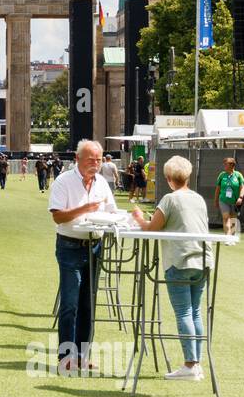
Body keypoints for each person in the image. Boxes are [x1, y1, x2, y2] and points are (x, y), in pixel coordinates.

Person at [132, 155, 211, 380]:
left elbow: (151, 229)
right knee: (195, 312)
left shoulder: (169, 199)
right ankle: (196, 363)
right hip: (202, 259)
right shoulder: (198, 199)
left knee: (185, 312)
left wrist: (138, 217)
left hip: (179, 260)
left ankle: (190, 364)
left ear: (168, 178)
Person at [49, 140, 118, 374]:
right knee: (70, 303)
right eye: (91, 159)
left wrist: (121, 219)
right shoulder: (63, 181)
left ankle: (83, 355)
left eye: (99, 159)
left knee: (88, 303)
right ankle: (66, 357)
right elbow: (57, 217)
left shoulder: (101, 183)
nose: (96, 164)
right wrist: (85, 209)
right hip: (69, 246)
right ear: (77, 159)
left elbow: (111, 211)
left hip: (95, 247)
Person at [214, 157, 244, 236]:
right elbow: (217, 189)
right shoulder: (222, 175)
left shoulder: (238, 175)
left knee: (233, 219)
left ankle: (232, 236)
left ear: (232, 165)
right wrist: (216, 200)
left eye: (226, 164)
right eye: (224, 164)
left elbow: (242, 188)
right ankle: (227, 236)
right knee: (225, 218)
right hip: (223, 200)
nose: (224, 165)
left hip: (235, 201)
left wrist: (240, 197)